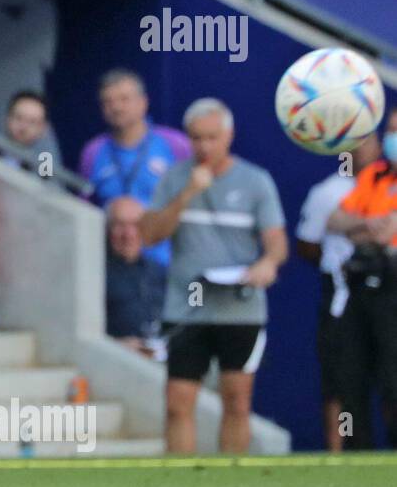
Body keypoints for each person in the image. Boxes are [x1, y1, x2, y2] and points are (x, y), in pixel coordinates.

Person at [140, 98, 287, 454]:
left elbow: (277, 243)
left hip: (239, 307)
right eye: (196, 138)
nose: (204, 146)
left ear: (228, 136)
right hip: (186, 307)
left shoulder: (255, 180)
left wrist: (267, 265)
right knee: (178, 401)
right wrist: (188, 193)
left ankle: (230, 486)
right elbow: (150, 233)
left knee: (236, 400)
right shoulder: (175, 178)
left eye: (211, 137)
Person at [297, 132, 383, 452]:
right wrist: (340, 265)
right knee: (342, 381)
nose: (361, 150)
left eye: (368, 141)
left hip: (388, 295)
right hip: (344, 297)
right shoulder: (328, 191)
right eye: (354, 143)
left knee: (390, 377)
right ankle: (341, 455)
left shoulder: (389, 186)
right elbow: (307, 245)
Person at [325, 109, 397, 450]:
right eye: (391, 131)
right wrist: (370, 225)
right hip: (365, 284)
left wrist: (377, 226)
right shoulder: (375, 175)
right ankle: (355, 455)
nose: (392, 138)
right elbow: (336, 218)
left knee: (393, 378)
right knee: (350, 372)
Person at [78, 69, 190, 266]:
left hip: (166, 264)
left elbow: (194, 200)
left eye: (124, 99)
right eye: (108, 102)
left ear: (143, 102)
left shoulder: (175, 144)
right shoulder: (93, 152)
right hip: (113, 267)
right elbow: (85, 210)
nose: (117, 107)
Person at [105, 196, 166, 356]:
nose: (128, 234)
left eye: (136, 225)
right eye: (120, 225)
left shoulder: (159, 272)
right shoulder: (94, 274)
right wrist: (116, 344)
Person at [2, 89, 62, 171]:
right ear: (8, 118)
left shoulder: (44, 171)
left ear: (43, 129)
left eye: (32, 122)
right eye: (19, 118)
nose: (23, 127)